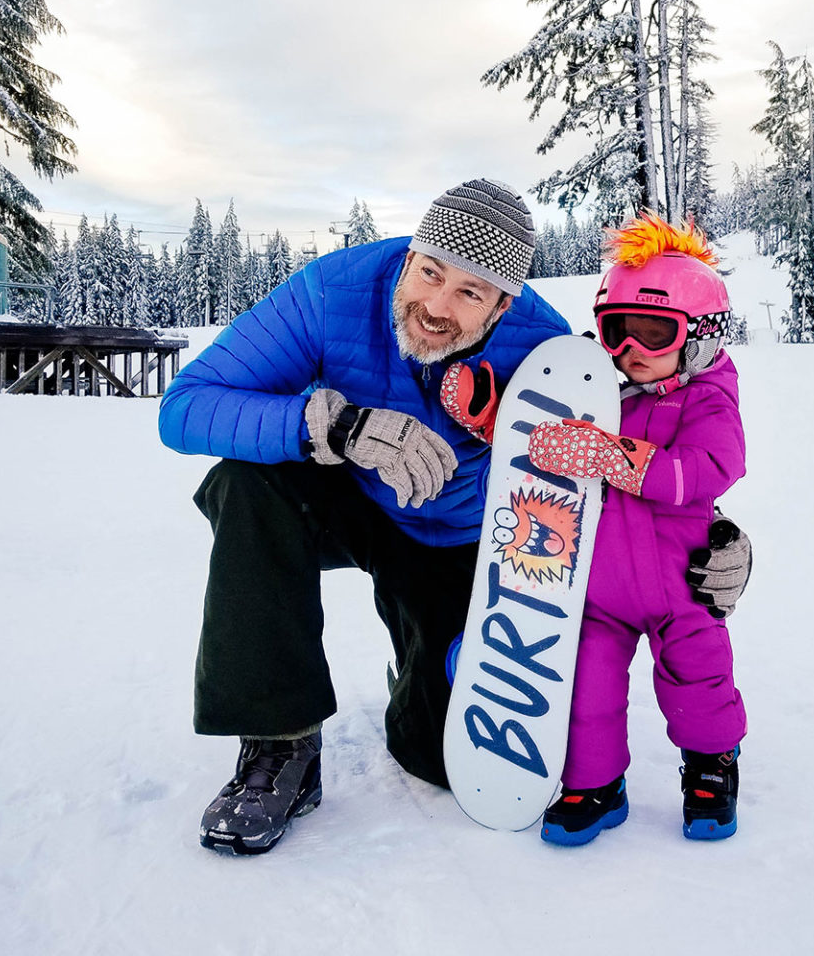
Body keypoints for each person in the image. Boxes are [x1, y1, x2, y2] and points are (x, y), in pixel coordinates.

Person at [158, 179, 753, 856]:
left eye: (470, 293)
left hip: (465, 539)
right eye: (429, 273)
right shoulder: (333, 292)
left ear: (505, 304)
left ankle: (420, 675)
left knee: (446, 762)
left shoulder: (545, 348)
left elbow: (613, 451)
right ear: (409, 255)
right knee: (247, 481)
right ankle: (280, 743)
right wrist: (337, 426)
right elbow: (184, 408)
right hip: (346, 498)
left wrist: (715, 533)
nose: (437, 306)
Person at [523, 214, 748, 845]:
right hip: (598, 590)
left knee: (699, 684)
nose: (629, 351)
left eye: (652, 331)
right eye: (615, 330)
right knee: (585, 692)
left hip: (683, 588)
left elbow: (710, 468)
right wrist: (493, 414)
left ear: (700, 337)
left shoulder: (706, 398)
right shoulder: (598, 391)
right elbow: (534, 431)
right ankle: (595, 784)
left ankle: (710, 768)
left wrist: (610, 459)